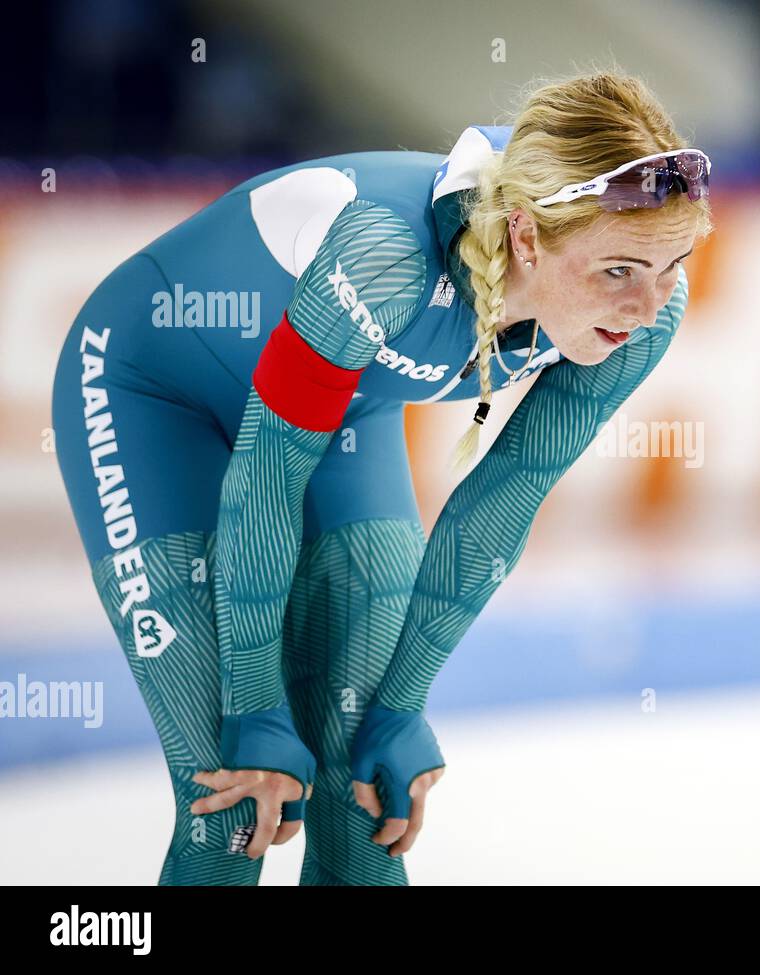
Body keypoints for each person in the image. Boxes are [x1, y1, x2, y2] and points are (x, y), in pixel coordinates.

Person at [50, 69, 713, 885]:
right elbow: (265, 476)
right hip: (155, 395)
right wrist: (255, 700)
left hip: (336, 425)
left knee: (367, 807)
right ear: (527, 236)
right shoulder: (385, 255)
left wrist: (402, 706)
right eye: (619, 271)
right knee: (233, 810)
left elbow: (501, 500)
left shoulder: (641, 317)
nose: (650, 307)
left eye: (673, 265)